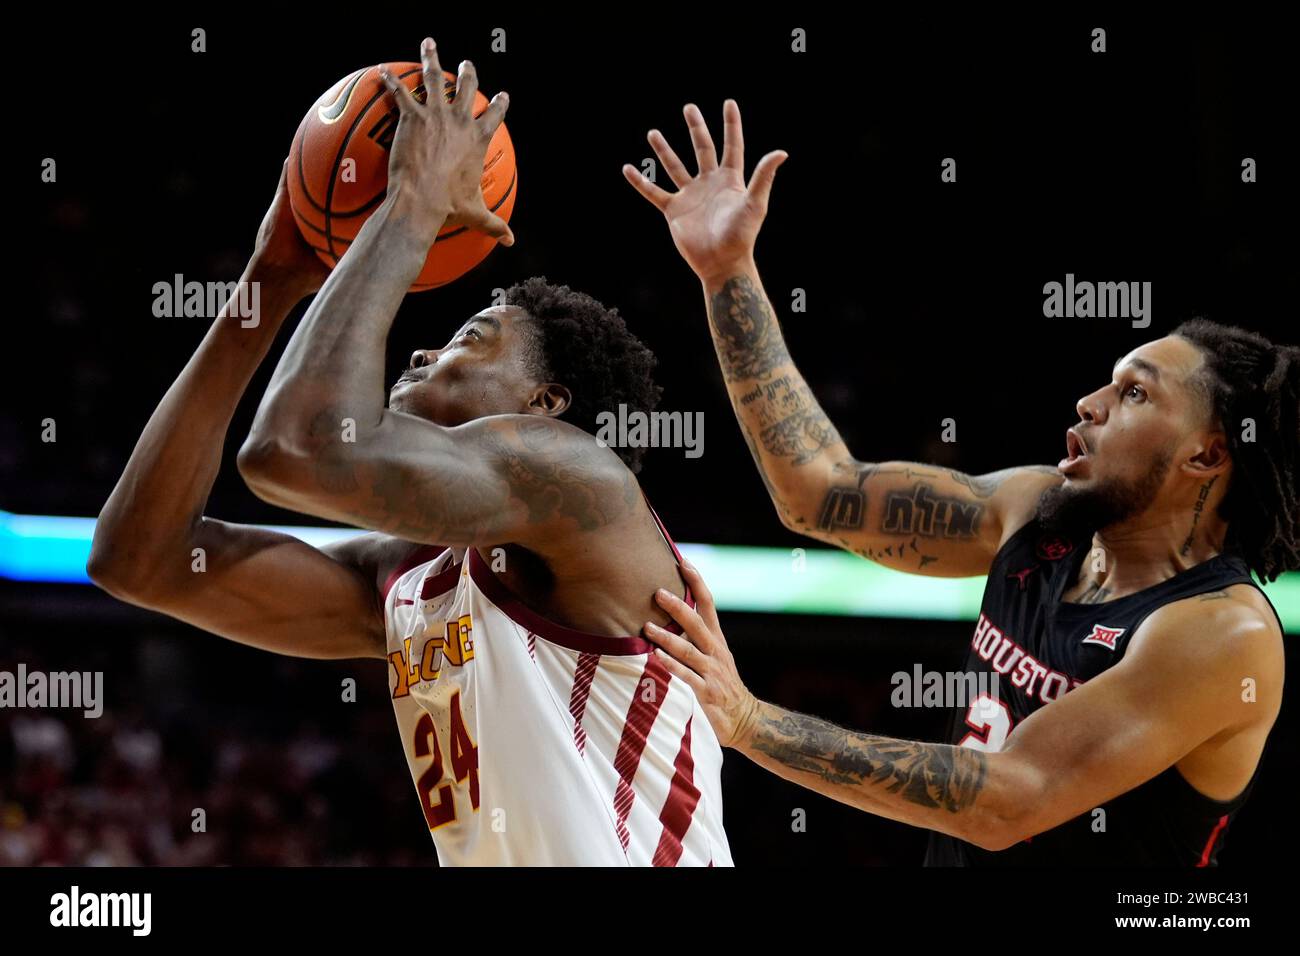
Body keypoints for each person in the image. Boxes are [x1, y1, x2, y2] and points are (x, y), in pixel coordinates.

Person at [87, 38, 731, 867]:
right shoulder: (411, 581)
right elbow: (137, 560)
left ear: (547, 407)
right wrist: (269, 280)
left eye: (472, 338)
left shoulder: (583, 480)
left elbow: (296, 448)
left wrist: (414, 203)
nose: (425, 351)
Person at [626, 99, 1295, 864]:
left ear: (1206, 456)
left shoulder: (1222, 633)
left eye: (1135, 393)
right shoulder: (1038, 512)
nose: (1091, 403)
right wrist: (726, 272)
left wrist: (749, 722)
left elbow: (1007, 798)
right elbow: (818, 494)